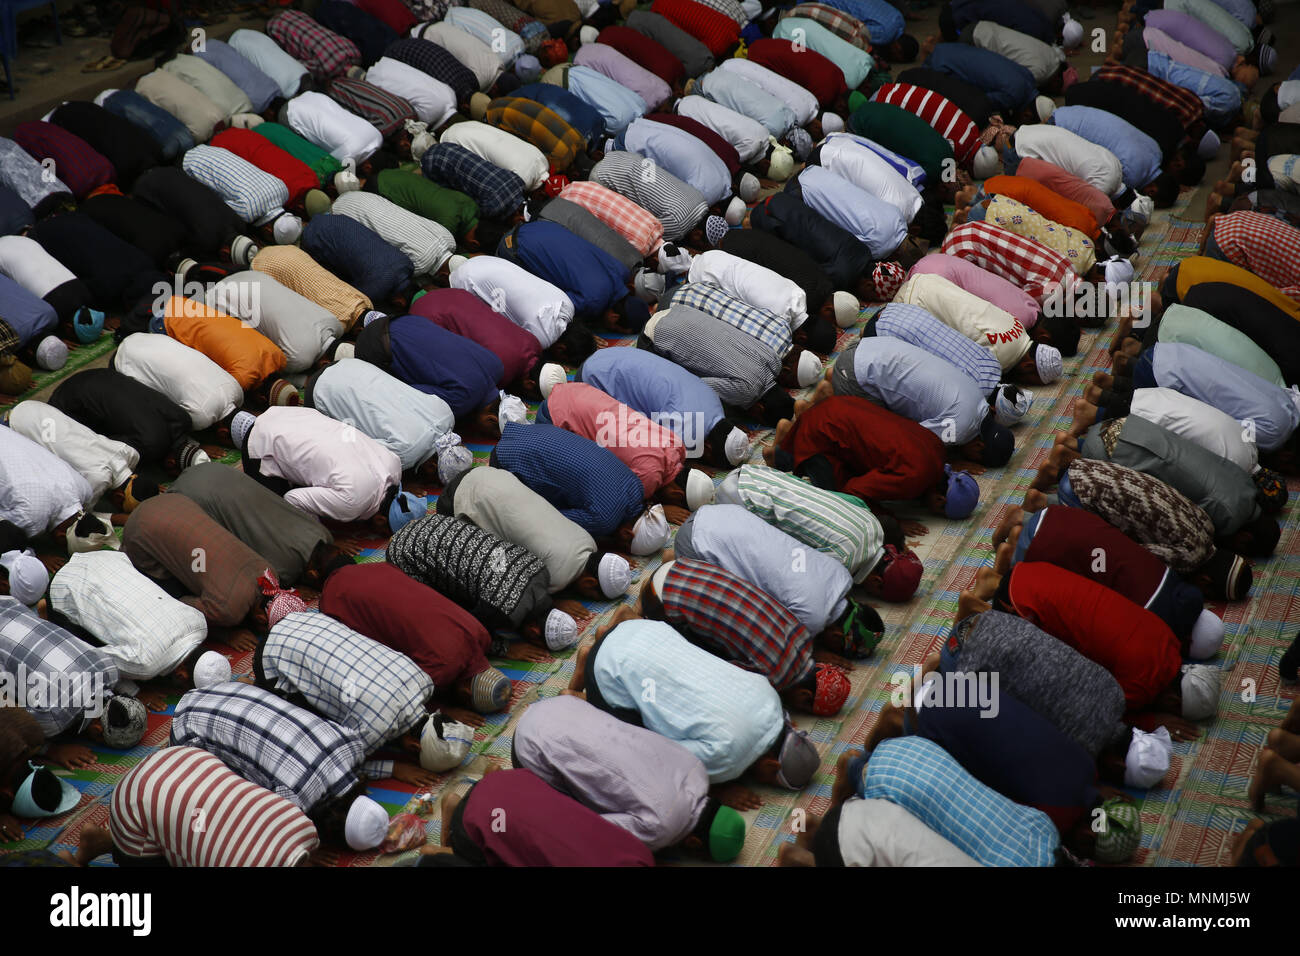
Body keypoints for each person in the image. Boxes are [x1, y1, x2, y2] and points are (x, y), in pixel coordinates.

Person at [567, 617, 821, 800]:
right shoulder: (730, 760)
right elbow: (665, 760)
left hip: (645, 629)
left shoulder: (772, 699)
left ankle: (599, 642)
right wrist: (718, 789)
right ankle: (575, 697)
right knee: (633, 742)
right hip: (610, 671)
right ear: (770, 767)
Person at [169, 682, 421, 850]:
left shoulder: (350, 746)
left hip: (227, 689)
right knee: (228, 794)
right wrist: (307, 851)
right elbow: (271, 828)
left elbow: (346, 774)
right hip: (188, 730)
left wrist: (392, 768)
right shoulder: (294, 799)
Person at [511, 695, 746, 860]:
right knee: (562, 823)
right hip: (532, 746)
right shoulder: (660, 828)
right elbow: (591, 828)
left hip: (564, 707)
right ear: (695, 843)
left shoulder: (698, 771)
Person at [993, 505, 1229, 651]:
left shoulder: (1170, 577)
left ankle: (1018, 536)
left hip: (1058, 515)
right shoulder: (1150, 616)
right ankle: (1007, 565)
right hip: (1041, 548)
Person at [667, 503, 885, 658]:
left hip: (720, 513)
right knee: (721, 626)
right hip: (697, 543)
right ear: (837, 637)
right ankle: (674, 568)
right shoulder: (812, 619)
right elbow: (774, 647)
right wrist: (816, 654)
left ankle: (673, 560)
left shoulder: (842, 576)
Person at [638, 557, 853, 714]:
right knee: (703, 660)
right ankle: (635, 616)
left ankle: (656, 580)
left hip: (682, 567)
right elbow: (723, 677)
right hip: (661, 600)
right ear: (804, 697)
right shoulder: (774, 676)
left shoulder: (803, 636)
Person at [320, 561, 522, 723]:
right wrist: (445, 710)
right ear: (465, 691)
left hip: (374, 569)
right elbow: (406, 696)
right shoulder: (443, 670)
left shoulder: (482, 634)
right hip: (339, 597)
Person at [1024, 456, 1251, 598]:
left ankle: (1040, 502)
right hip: (1080, 492)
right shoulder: (1190, 557)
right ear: (1206, 581)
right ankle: (1027, 521)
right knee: (1097, 553)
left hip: (1092, 469)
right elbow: (1134, 555)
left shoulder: (1207, 525)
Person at [70, 747, 321, 867]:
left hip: (187, 758)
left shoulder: (305, 828)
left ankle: (102, 840)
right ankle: (101, 846)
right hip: (133, 802)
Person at [834, 735, 1061, 866]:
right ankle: (854, 768)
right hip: (888, 782)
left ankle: (861, 761)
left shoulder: (1045, 830)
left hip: (915, 748)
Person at [766, 395, 982, 526]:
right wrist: (890, 520)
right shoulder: (914, 478)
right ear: (940, 501)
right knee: (842, 505)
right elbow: (854, 490)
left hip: (841, 406)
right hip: (823, 433)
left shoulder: (937, 449)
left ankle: (786, 440)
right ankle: (783, 454)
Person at [122, 492, 298, 646]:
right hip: (141, 531)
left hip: (173, 502)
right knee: (169, 592)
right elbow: (181, 607)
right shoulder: (230, 609)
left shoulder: (269, 572)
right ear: (261, 619)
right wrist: (226, 634)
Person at [385, 512, 581, 651]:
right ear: (533, 631)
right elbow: (469, 631)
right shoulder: (503, 607)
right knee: (439, 616)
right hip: (405, 555)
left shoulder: (540, 570)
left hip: (433, 523)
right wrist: (504, 648)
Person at [437, 465, 632, 601]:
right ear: (589, 583)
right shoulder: (557, 578)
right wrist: (553, 603)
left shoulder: (588, 541)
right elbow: (518, 593)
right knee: (488, 566)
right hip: (457, 501)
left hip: (487, 473)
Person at [820, 338, 1015, 468]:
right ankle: (827, 404)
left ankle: (832, 387)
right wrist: (950, 464)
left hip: (869, 346)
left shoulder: (978, 397)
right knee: (877, 448)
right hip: (856, 373)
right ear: (978, 448)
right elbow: (913, 443)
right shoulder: (959, 429)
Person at [493, 421, 676, 554]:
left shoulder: (636, 485)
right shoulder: (605, 520)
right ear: (626, 534)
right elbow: (551, 518)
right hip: (508, 458)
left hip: (529, 430)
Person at [168, 462, 349, 589]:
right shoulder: (286, 570)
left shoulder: (323, 533)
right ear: (312, 575)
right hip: (190, 496)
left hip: (211, 470)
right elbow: (264, 581)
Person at [229, 407, 417, 529]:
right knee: (277, 517)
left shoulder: (394, 464)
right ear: (380, 521)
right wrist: (321, 535)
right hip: (262, 444)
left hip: (294, 414)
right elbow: (291, 499)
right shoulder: (353, 502)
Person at [425, 766, 655, 865]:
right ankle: (443, 852)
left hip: (511, 784)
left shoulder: (641, 855)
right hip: (476, 824)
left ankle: (461, 805)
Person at [578, 346, 751, 468]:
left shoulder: (716, 404)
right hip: (594, 377)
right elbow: (657, 459)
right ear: (708, 448)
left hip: (613, 355)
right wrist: (690, 468)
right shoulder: (685, 431)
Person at [301, 358, 472, 481]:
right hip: (323, 390)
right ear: (431, 468)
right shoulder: (404, 454)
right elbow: (361, 459)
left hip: (350, 364)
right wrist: (399, 487)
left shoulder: (446, 414)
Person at [48, 551, 208, 682]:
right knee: (78, 647)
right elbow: (95, 659)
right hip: (64, 588)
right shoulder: (146, 664)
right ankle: (47, 613)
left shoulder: (200, 623)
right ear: (181, 675)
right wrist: (133, 690)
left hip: (106, 558)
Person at [638, 304, 809, 425]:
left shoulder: (774, 361)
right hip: (653, 336)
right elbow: (693, 386)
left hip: (679, 311)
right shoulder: (746, 391)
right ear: (760, 408)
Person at [893, 271, 1070, 377]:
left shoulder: (1019, 328)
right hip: (910, 304)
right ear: (1028, 366)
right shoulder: (1000, 361)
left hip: (928, 280)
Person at [5, 401, 159, 512]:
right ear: (118, 498)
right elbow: (79, 515)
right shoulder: (98, 479)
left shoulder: (129, 453)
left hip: (36, 408)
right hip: (14, 427)